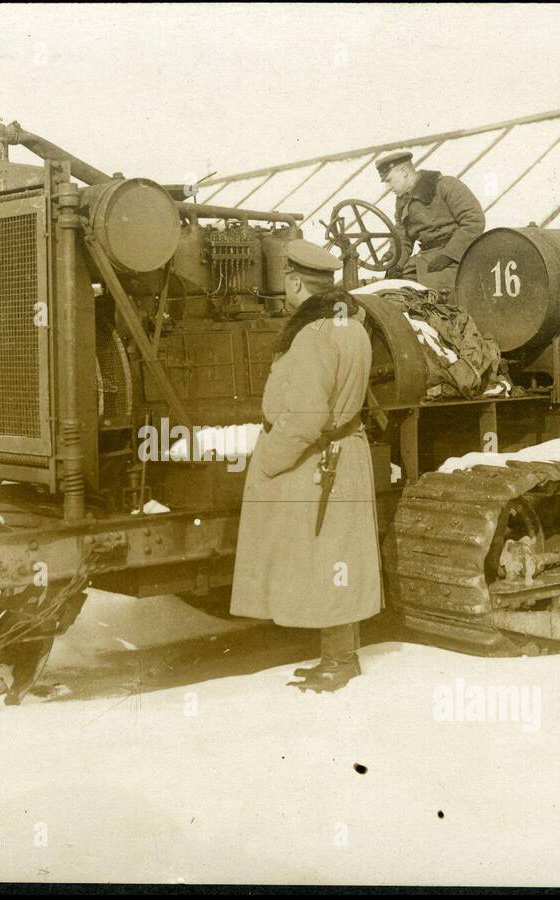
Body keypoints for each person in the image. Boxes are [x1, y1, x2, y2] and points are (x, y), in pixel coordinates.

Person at [229, 240, 381, 692]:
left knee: (325, 558)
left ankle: (339, 661)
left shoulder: (314, 336)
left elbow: (304, 417)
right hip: (341, 454)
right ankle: (337, 657)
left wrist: (269, 460)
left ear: (295, 282)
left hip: (318, 460)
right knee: (335, 558)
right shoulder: (350, 326)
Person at [376, 148, 485, 293]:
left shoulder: (445, 185)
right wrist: (396, 262)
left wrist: (448, 255)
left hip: (456, 259)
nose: (388, 188)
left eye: (389, 181)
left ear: (404, 171)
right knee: (392, 289)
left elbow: (474, 221)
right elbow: (402, 238)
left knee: (438, 298)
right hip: (424, 260)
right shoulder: (402, 201)